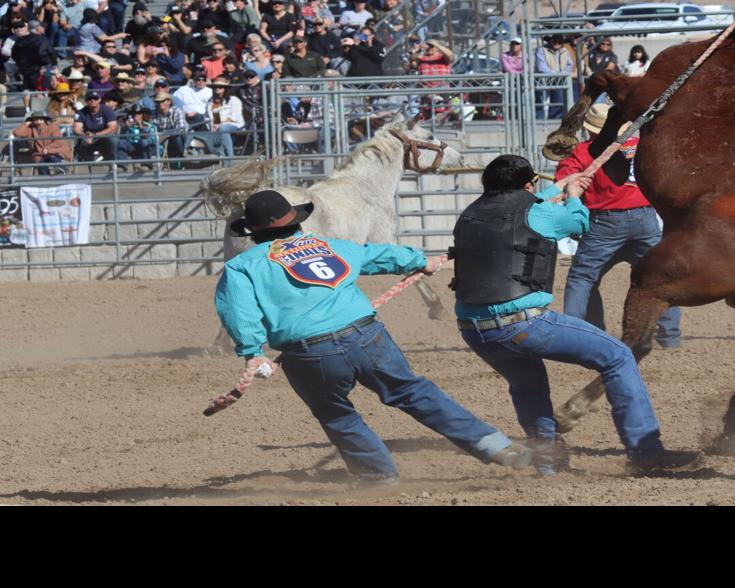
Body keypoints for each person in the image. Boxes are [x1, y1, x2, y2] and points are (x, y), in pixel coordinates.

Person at [215, 189, 536, 486]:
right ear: (297, 222)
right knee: (413, 391)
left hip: (309, 354)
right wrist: (420, 260)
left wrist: (252, 351)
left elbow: (238, 312)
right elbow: (377, 254)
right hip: (366, 336)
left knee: (336, 414)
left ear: (253, 232)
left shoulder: (242, 266)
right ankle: (494, 444)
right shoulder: (331, 246)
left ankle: (378, 476)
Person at [450, 154, 701, 476]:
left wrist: (562, 185)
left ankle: (547, 461)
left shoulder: (470, 214)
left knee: (528, 386)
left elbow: (518, 206)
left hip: (476, 331)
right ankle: (645, 451)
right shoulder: (539, 212)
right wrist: (574, 196)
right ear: (528, 185)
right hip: (523, 323)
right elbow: (578, 223)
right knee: (618, 356)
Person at [556, 104, 682, 348]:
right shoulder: (639, 145)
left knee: (583, 278)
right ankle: (670, 337)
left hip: (604, 222)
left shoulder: (583, 152)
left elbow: (564, 183)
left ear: (591, 129)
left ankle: (581, 335)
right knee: (660, 278)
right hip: (645, 218)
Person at [71, 90, 118, 160]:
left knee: (112, 139)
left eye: (95, 98)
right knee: (72, 140)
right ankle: (73, 165)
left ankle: (114, 162)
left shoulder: (107, 110)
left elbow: (112, 127)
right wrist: (84, 135)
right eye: (89, 99)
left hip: (104, 136)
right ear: (86, 101)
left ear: (99, 100)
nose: (92, 100)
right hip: (87, 136)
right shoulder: (81, 112)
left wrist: (95, 135)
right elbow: (76, 128)